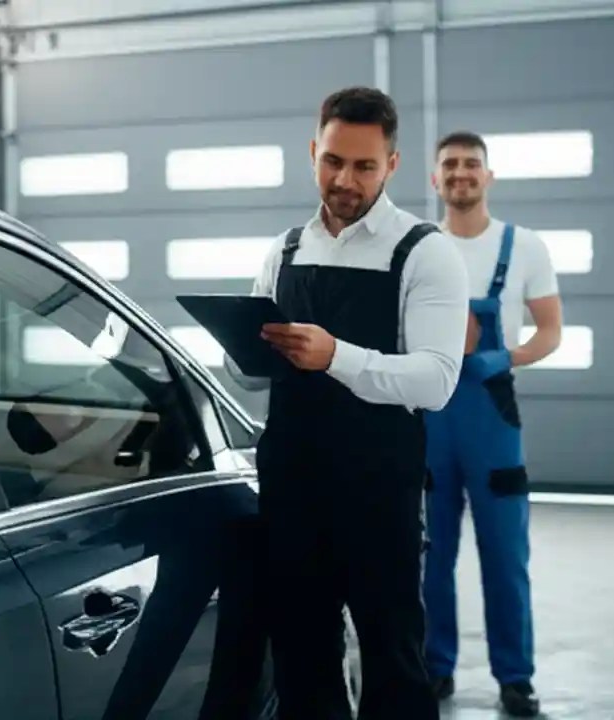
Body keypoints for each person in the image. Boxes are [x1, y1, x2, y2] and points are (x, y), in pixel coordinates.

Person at [226, 86, 469, 719]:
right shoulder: (283, 251)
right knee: (301, 655)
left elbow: (436, 380)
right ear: (313, 153)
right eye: (333, 161)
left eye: (364, 166)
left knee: (393, 656)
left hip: (378, 490)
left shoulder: (424, 252)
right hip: (292, 483)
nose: (345, 179)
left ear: (392, 165)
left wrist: (336, 355)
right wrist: (241, 348)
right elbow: (249, 377)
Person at [422, 130, 564, 718]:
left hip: (493, 419)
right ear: (435, 178)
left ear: (488, 176)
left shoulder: (523, 246)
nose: (460, 173)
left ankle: (515, 677)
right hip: (429, 416)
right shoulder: (422, 246)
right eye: (450, 165)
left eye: (471, 164)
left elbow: (551, 332)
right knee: (432, 556)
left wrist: (506, 356)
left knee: (506, 556)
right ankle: (434, 668)